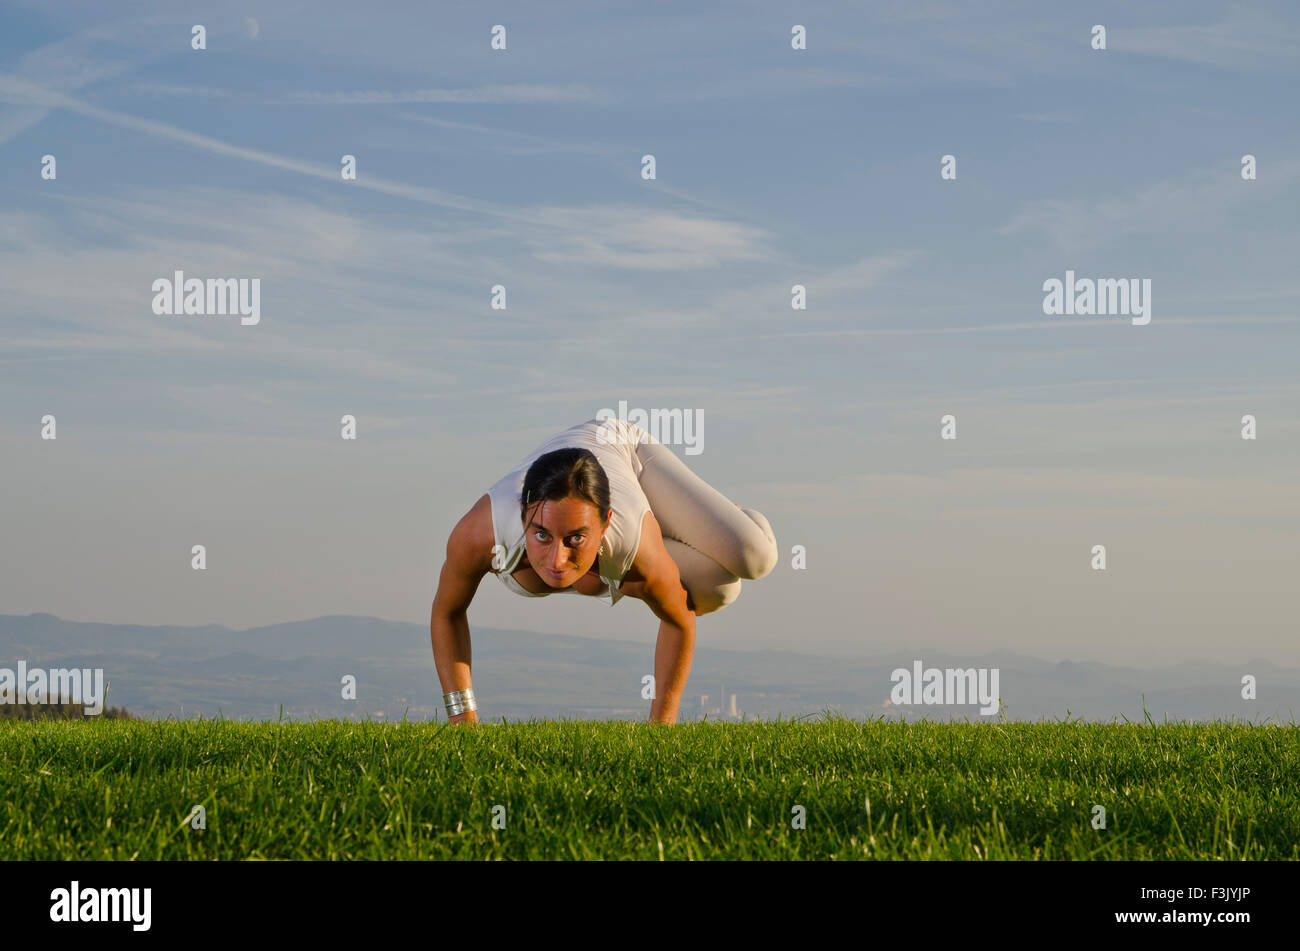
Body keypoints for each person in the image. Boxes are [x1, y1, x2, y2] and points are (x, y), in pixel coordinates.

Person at [430, 417, 778, 726]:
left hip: (624, 451)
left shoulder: (629, 539)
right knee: (719, 587)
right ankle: (685, 530)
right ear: (523, 517)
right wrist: (463, 719)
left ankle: (732, 519)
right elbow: (447, 612)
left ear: (605, 525)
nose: (556, 560)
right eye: (541, 535)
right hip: (608, 509)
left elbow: (679, 619)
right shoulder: (478, 536)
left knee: (755, 557)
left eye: (575, 539)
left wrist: (660, 730)